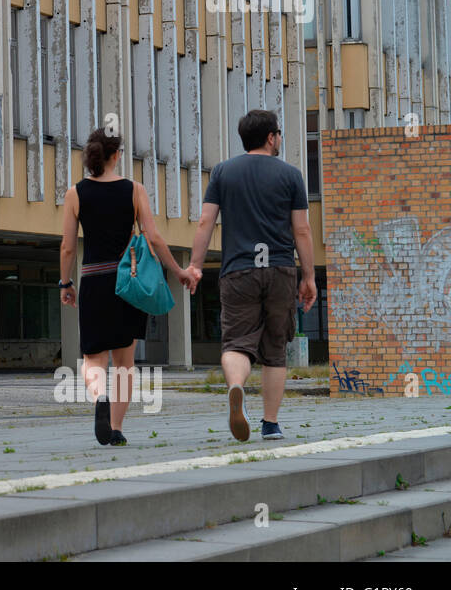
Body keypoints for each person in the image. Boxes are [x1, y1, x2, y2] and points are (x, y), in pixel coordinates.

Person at [60, 129, 197, 447]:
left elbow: (68, 247)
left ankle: (100, 398)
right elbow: (153, 237)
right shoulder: (134, 190)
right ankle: (117, 429)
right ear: (116, 155)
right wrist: (177, 271)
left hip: (94, 281)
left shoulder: (75, 193)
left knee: (93, 358)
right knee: (124, 362)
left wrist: (65, 283)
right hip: (128, 282)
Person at [189, 109, 317, 442]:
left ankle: (236, 387)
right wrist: (308, 277)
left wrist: (196, 266)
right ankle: (271, 424)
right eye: (279, 134)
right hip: (278, 269)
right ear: (271, 137)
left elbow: (205, 222)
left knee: (237, 343)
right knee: (275, 348)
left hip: (238, 270)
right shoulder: (291, 175)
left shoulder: (222, 172)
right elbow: (301, 230)